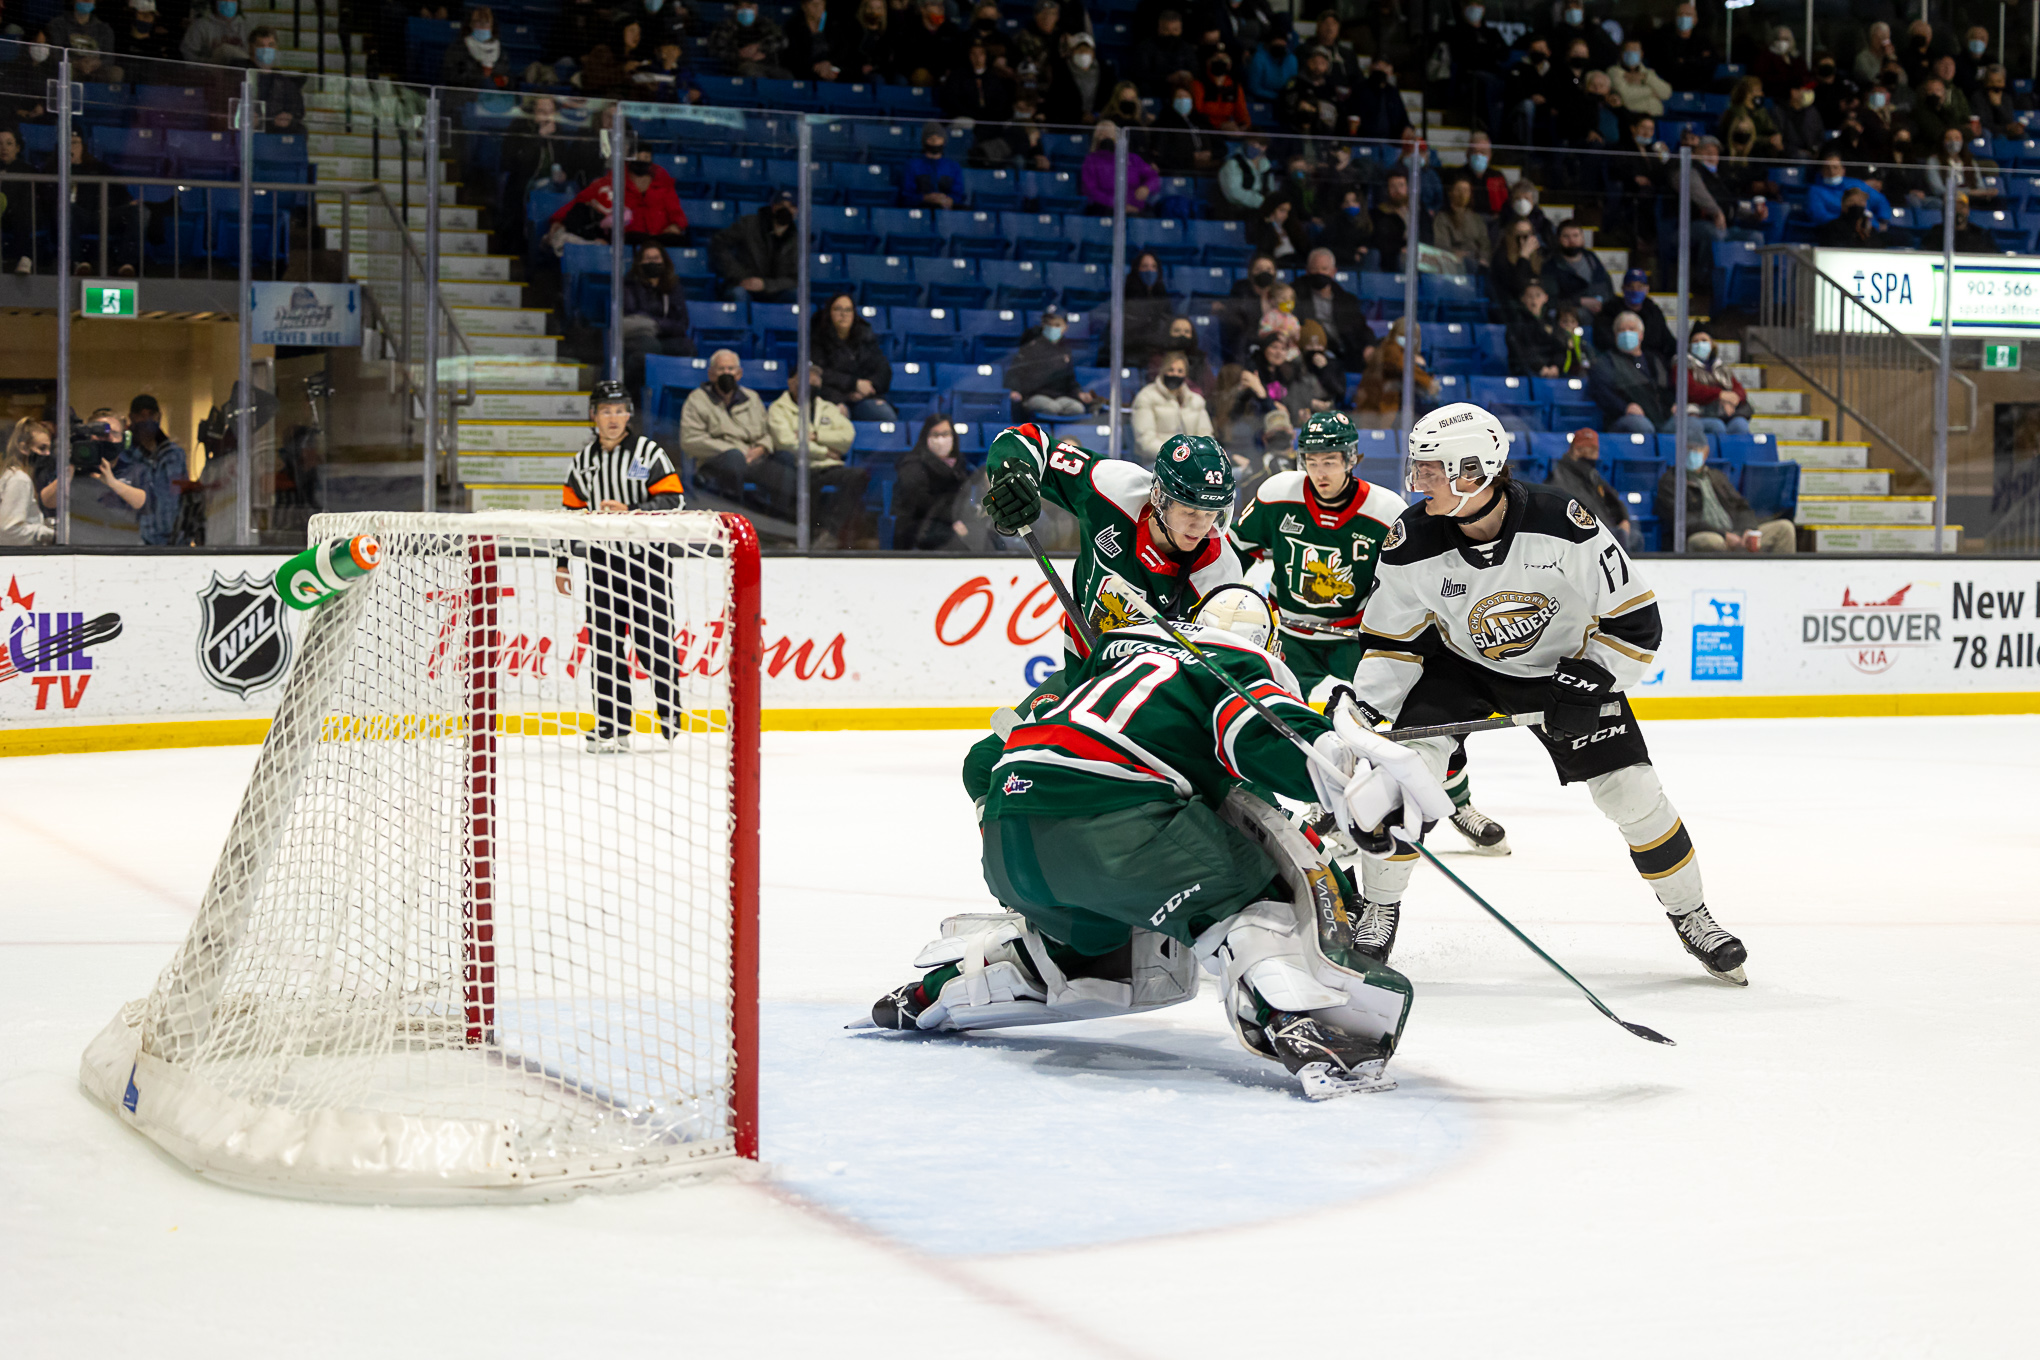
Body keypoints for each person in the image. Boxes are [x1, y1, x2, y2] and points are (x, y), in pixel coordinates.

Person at [873, 580, 1450, 1103]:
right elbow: (1261, 736)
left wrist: (1000, 822)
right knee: (1257, 894)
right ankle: (1304, 1026)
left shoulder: (1113, 659)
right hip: (1112, 824)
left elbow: (985, 758)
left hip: (1011, 850)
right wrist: (1350, 786)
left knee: (1100, 958)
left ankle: (939, 995)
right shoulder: (1233, 662)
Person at [1347, 404, 1748, 984]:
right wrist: (1370, 715)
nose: (1417, 481)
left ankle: (1693, 915)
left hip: (1564, 669)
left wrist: (1596, 676)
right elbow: (1391, 642)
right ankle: (1379, 907)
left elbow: (1635, 621)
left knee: (1632, 795)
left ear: (1474, 471)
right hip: (1460, 666)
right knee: (1403, 780)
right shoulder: (1411, 539)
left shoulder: (1565, 522)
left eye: (1432, 469)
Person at [1228, 409, 1508, 849]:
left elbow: (1414, 576)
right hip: (1291, 638)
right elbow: (1232, 556)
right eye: (1313, 461)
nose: (1321, 471)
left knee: (1423, 718)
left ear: (1352, 459)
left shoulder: (1385, 511)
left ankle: (1459, 802)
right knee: (1272, 717)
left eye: (1331, 461)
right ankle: (1322, 799)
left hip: (1358, 638)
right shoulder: (1275, 494)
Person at [981, 425, 1244, 661]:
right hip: (1082, 672)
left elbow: (1213, 670)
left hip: (1156, 699)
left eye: (1212, 514)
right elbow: (1026, 440)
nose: (1201, 526)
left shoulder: (1221, 573)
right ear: (1159, 497)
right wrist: (1016, 474)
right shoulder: (1113, 488)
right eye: (1190, 511)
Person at [553, 380, 685, 754]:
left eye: (620, 410)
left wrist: (633, 513)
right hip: (602, 562)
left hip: (648, 562)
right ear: (593, 416)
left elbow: (674, 500)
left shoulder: (648, 453)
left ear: (629, 414)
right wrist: (562, 562)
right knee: (606, 645)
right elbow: (569, 515)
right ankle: (613, 725)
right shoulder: (583, 463)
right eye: (605, 411)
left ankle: (669, 708)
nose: (613, 418)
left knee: (653, 641)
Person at [766, 368, 870, 549]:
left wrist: (817, 435)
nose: (810, 385)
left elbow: (847, 437)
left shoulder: (828, 408)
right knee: (798, 479)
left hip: (828, 467)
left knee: (858, 475)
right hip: (797, 466)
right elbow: (786, 443)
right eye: (804, 381)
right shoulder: (778, 409)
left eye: (815, 382)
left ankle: (830, 533)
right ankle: (793, 536)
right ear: (791, 382)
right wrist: (824, 452)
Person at [1655, 436, 1794, 555]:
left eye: (1698, 449)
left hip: (1737, 533)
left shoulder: (1717, 477)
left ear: (1706, 452)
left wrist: (1747, 531)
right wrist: (1725, 536)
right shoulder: (1671, 481)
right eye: (1689, 449)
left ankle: (1781, 582)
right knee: (1710, 542)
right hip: (1708, 535)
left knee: (1784, 528)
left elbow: (1741, 506)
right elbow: (1684, 521)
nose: (1693, 453)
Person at [547, 138, 689, 251]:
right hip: (629, 239)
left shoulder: (663, 184)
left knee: (680, 241)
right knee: (632, 239)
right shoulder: (611, 182)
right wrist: (558, 220)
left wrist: (677, 226)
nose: (642, 161)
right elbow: (580, 200)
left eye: (646, 157)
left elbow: (677, 213)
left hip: (660, 239)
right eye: (638, 157)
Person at [680, 350, 774, 507]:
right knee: (734, 458)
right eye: (721, 369)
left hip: (753, 460)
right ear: (711, 374)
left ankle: (778, 521)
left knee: (784, 461)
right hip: (716, 462)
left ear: (739, 373)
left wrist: (762, 448)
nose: (726, 373)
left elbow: (768, 433)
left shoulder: (752, 398)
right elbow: (690, 440)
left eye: (730, 369)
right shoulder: (696, 399)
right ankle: (734, 519)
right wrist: (736, 450)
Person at [619, 244, 695, 403]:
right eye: (647, 259)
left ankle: (678, 399)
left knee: (686, 347)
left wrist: (656, 324)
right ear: (639, 262)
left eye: (656, 258)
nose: (652, 262)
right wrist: (662, 324)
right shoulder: (630, 285)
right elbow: (632, 316)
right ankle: (636, 398)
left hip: (664, 335)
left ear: (664, 262)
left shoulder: (673, 287)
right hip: (638, 337)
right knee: (649, 348)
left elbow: (682, 323)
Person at [1543, 427, 1635, 550]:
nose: (1593, 456)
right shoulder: (1559, 479)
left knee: (1635, 536)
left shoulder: (1593, 476)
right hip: (1584, 541)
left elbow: (1614, 500)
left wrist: (1624, 519)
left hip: (1604, 535)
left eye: (1595, 451)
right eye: (1588, 451)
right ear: (1575, 451)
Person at [810, 292, 896, 423]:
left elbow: (883, 370)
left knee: (884, 415)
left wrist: (867, 388)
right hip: (832, 398)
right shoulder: (818, 339)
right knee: (837, 419)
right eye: (838, 309)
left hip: (863, 398)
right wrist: (853, 385)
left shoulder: (865, 337)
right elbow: (819, 373)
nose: (843, 314)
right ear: (829, 313)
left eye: (848, 310)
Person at [893, 414, 970, 550]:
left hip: (950, 522)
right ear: (926, 437)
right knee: (959, 542)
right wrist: (952, 520)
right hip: (919, 525)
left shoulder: (959, 465)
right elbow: (919, 501)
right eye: (935, 435)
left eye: (945, 434)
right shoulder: (913, 465)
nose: (941, 440)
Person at [1590, 311, 1675, 435]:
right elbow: (1602, 392)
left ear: (1641, 335)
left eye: (1631, 329)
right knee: (1642, 426)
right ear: (1615, 335)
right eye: (1621, 330)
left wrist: (1673, 404)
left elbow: (1666, 388)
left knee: (1691, 425)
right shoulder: (1606, 362)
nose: (1626, 333)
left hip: (1662, 418)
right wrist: (1625, 407)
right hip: (1625, 418)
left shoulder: (1654, 359)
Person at [121, 395, 189, 547]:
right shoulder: (124, 455)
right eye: (140, 415)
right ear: (132, 418)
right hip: (132, 543)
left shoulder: (175, 455)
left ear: (159, 417)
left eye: (151, 415)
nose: (146, 420)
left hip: (173, 544)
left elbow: (185, 499)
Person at [709, 189, 798, 304]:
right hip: (744, 285)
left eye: (791, 206)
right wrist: (741, 277)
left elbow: (795, 279)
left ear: (796, 211)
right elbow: (718, 244)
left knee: (795, 295)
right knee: (738, 293)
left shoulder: (798, 240)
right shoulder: (749, 224)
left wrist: (765, 285)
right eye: (781, 205)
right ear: (773, 207)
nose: (785, 210)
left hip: (775, 291)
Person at [1004, 307, 1095, 418]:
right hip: (1035, 396)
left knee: (1077, 408)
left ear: (1065, 327)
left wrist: (1079, 393)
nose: (1052, 328)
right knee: (1051, 408)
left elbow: (1070, 379)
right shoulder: (1031, 346)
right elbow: (1016, 372)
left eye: (1057, 325)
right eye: (1049, 324)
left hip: (1060, 397)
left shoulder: (1065, 349)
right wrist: (1015, 390)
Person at [1131, 351, 1214, 461]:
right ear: (1162, 371)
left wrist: (1199, 457)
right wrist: (1177, 457)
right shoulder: (1146, 396)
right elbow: (1145, 441)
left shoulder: (1196, 400)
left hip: (1192, 464)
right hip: (1157, 463)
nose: (1175, 374)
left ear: (1186, 374)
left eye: (1180, 371)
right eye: (1171, 370)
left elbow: (1206, 437)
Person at [1591, 268, 1673, 360]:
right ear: (1623, 288)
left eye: (1639, 286)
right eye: (1630, 286)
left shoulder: (1653, 311)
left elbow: (1667, 341)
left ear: (1647, 289)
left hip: (1649, 361)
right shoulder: (1610, 310)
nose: (1635, 290)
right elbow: (1602, 339)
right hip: (1619, 360)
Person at [1080, 120, 1158, 215]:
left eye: (1109, 135)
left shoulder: (1132, 158)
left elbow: (1152, 176)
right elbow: (1090, 189)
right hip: (1105, 207)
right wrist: (1115, 204)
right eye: (1101, 135)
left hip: (1136, 207)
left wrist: (1146, 187)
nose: (1106, 138)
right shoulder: (1091, 160)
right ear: (1096, 139)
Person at [1682, 331, 1751, 436]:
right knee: (1717, 426)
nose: (1700, 344)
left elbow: (1739, 389)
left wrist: (1731, 401)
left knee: (1740, 425)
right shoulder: (1682, 365)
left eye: (1704, 340)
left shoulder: (1721, 367)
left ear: (1712, 344)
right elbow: (1691, 391)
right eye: (1695, 341)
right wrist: (1720, 395)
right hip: (1699, 412)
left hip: (1725, 412)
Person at [1538, 221, 1612, 320]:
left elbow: (1605, 285)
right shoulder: (1551, 265)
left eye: (1575, 235)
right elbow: (1550, 299)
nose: (1571, 240)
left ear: (1582, 238)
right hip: (1566, 317)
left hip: (1597, 315)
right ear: (1559, 239)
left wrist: (1601, 302)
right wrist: (1580, 301)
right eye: (1566, 236)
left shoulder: (1591, 258)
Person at [0, 419, 53, 546]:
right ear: (23, 448)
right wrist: (49, 535)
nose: (47, 454)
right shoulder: (19, 479)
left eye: (49, 448)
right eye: (42, 448)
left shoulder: (10, 475)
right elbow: (10, 530)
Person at [1044, 32, 1113, 126]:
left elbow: (1110, 98)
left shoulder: (1106, 71)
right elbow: (1056, 100)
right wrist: (1079, 116)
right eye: (1079, 50)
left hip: (1098, 122)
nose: (1083, 53)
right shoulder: (1061, 71)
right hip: (1068, 123)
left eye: (1086, 50)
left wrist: (1096, 115)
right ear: (1072, 51)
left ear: (1093, 52)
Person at [1645, 1, 1716, 93]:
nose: (1684, 18)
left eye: (1688, 15)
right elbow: (1667, 66)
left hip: (1700, 86)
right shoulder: (1663, 40)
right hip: (1671, 86)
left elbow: (1709, 63)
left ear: (1695, 19)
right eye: (1681, 14)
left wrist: (1684, 61)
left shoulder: (1703, 41)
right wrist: (1695, 61)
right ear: (1675, 18)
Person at [709, 0, 790, 78]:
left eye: (749, 7)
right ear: (736, 9)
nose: (746, 11)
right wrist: (740, 55)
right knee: (752, 72)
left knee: (786, 75)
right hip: (740, 67)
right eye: (742, 7)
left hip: (766, 65)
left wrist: (759, 47)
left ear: (756, 9)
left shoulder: (765, 23)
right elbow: (716, 47)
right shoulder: (727, 26)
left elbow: (782, 40)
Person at [1505, 280, 1566, 378]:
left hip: (1552, 371)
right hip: (1526, 372)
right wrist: (1540, 367)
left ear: (1545, 298)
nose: (1534, 299)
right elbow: (1519, 350)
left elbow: (1559, 348)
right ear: (1523, 299)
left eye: (1538, 295)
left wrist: (1555, 366)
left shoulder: (1552, 323)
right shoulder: (1516, 322)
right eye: (1529, 295)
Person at [1488, 217, 1546, 319]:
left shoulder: (1537, 259)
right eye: (1519, 234)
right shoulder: (1501, 258)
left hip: (1536, 307)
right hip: (1511, 310)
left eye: (1528, 234)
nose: (1524, 239)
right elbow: (1517, 287)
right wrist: (1523, 256)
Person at [248, 30, 306, 129]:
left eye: (271, 45)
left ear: (276, 48)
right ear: (251, 48)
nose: (266, 49)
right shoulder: (239, 74)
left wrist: (288, 118)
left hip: (274, 133)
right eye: (261, 45)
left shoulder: (285, 82)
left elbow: (298, 112)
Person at [899, 123, 964, 209]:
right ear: (924, 141)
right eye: (931, 139)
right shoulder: (912, 165)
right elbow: (906, 195)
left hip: (946, 211)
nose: (935, 142)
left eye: (938, 139)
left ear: (944, 141)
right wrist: (925, 198)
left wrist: (950, 200)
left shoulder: (953, 166)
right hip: (920, 209)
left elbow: (959, 194)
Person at [1214, 134, 1279, 219]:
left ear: (1264, 147)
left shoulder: (1266, 166)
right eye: (1248, 144)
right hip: (1239, 211)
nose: (1250, 147)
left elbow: (1271, 190)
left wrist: (1270, 204)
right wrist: (1261, 202)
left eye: (1254, 145)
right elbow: (1234, 193)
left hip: (1263, 211)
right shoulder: (1233, 164)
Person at [442, 7, 510, 87]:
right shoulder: (458, 48)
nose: (482, 26)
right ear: (470, 24)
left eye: (486, 22)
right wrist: (480, 75)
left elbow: (505, 84)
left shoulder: (500, 51)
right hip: (464, 94)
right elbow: (449, 77)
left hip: (492, 96)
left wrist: (501, 81)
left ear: (492, 26)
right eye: (478, 22)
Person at [1433, 176, 1490, 270]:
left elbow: (1485, 243)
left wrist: (1483, 258)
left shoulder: (1477, 219)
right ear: (1450, 193)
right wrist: (1454, 253)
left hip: (1476, 260)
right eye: (1458, 190)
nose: (1462, 194)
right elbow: (1441, 244)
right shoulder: (1442, 218)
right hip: (1453, 261)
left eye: (1466, 190)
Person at [1192, 47, 1251, 133]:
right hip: (1205, 130)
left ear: (1229, 65)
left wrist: (1244, 127)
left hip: (1227, 130)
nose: (1220, 62)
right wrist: (1219, 125)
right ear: (1208, 63)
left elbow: (1242, 113)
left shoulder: (1234, 87)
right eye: (1216, 59)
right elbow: (1197, 113)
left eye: (1224, 59)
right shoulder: (1199, 84)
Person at [1606, 39, 1669, 118]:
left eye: (1635, 50)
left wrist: (1645, 78)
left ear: (1641, 54)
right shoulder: (1614, 71)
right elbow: (1625, 95)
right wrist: (1651, 91)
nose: (1631, 54)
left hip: (1656, 117)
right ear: (1621, 54)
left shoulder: (1648, 73)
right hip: (1633, 118)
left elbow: (1666, 93)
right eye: (1628, 51)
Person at [1754, 24, 1810, 105]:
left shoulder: (1797, 59)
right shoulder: (1765, 58)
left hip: (1798, 98)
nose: (1782, 42)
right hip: (1776, 99)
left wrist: (1801, 89)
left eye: (1785, 39)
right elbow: (1765, 80)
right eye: (1778, 39)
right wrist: (1789, 91)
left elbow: (1805, 77)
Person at [181, 0, 251, 63]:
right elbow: (188, 56)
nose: (228, 3)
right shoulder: (200, 26)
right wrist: (210, 65)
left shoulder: (246, 26)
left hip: (239, 73)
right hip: (206, 74)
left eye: (232, 0)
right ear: (215, 2)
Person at [1245, 31, 1296, 103]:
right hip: (1261, 99)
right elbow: (1254, 87)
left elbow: (1293, 83)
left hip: (1285, 99)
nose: (1279, 46)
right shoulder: (1258, 58)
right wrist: (1275, 96)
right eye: (1276, 44)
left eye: (1282, 44)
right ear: (1268, 44)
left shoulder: (1291, 59)